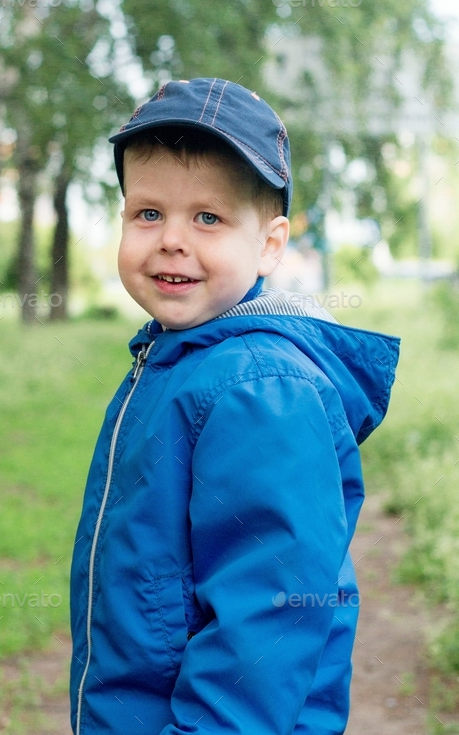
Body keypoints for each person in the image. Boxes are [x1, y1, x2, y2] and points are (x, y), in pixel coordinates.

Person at [69, 78, 400, 735]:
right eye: (149, 213)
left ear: (271, 244)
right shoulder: (175, 359)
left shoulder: (259, 388)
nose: (171, 239)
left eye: (208, 218)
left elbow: (268, 617)